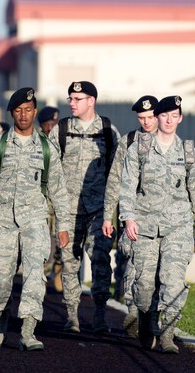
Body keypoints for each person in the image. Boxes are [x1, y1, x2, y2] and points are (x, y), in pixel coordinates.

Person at [0, 87, 71, 351]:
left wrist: (63, 226)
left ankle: (28, 331)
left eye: (28, 110)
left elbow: (59, 189)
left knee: (33, 275)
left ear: (35, 112)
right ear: (12, 113)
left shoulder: (46, 146)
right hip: (2, 219)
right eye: (18, 111)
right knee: (0, 277)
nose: (23, 115)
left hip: (35, 220)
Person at [120, 95, 195, 354]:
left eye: (175, 115)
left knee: (173, 283)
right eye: (165, 115)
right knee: (144, 286)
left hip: (178, 228)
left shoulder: (187, 151)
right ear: (157, 118)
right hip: (145, 228)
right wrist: (128, 217)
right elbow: (127, 185)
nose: (170, 120)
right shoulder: (139, 148)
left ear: (180, 118)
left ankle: (167, 334)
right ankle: (146, 318)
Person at [57, 80, 119, 334]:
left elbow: (116, 172)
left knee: (100, 261)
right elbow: (52, 171)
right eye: (70, 98)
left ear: (91, 101)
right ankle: (72, 315)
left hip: (98, 210)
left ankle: (100, 314)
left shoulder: (107, 130)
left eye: (77, 99)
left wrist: (112, 211)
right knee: (69, 262)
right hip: (68, 209)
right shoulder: (60, 130)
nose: (72, 103)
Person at [102, 95, 159, 333]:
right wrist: (108, 215)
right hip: (133, 214)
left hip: (162, 218)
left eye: (150, 117)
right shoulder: (129, 141)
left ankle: (151, 317)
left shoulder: (170, 141)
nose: (146, 122)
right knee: (132, 263)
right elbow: (114, 179)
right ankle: (134, 309)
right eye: (141, 117)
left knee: (158, 271)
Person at [36, 105, 62, 289]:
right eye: (48, 124)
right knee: (42, 239)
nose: (51, 127)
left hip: (59, 197)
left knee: (61, 236)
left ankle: (59, 271)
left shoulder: (63, 139)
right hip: (42, 199)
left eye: (54, 123)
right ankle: (42, 274)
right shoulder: (36, 141)